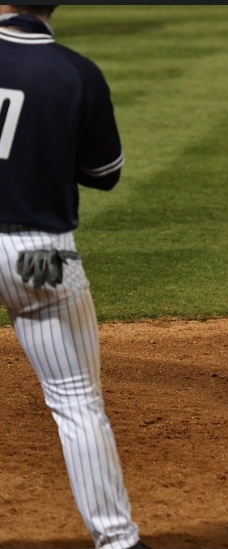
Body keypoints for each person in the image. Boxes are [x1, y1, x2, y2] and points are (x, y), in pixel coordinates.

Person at [0, 5, 149, 549]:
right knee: (75, 400)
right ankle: (117, 541)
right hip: (38, 255)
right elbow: (104, 174)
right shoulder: (74, 71)